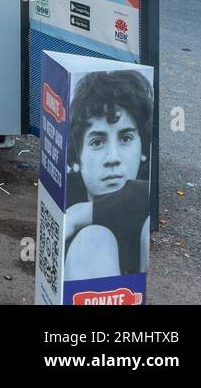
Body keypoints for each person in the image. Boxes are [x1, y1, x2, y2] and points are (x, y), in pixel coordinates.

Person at [63, 69, 153, 280]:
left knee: (150, 222)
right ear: (77, 159)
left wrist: (86, 211)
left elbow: (147, 195)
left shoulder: (146, 188)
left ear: (142, 150)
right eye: (97, 142)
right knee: (93, 240)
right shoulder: (65, 194)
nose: (113, 157)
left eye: (126, 138)